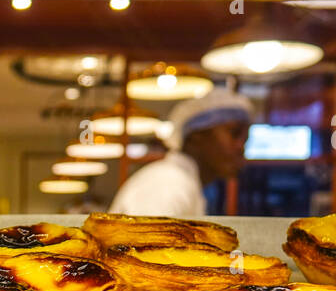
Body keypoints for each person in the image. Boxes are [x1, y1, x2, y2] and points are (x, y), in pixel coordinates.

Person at [108, 88, 253, 217]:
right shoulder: (168, 182)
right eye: (234, 134)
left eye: (245, 139)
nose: (241, 147)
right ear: (197, 136)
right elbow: (148, 244)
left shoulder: (183, 181)